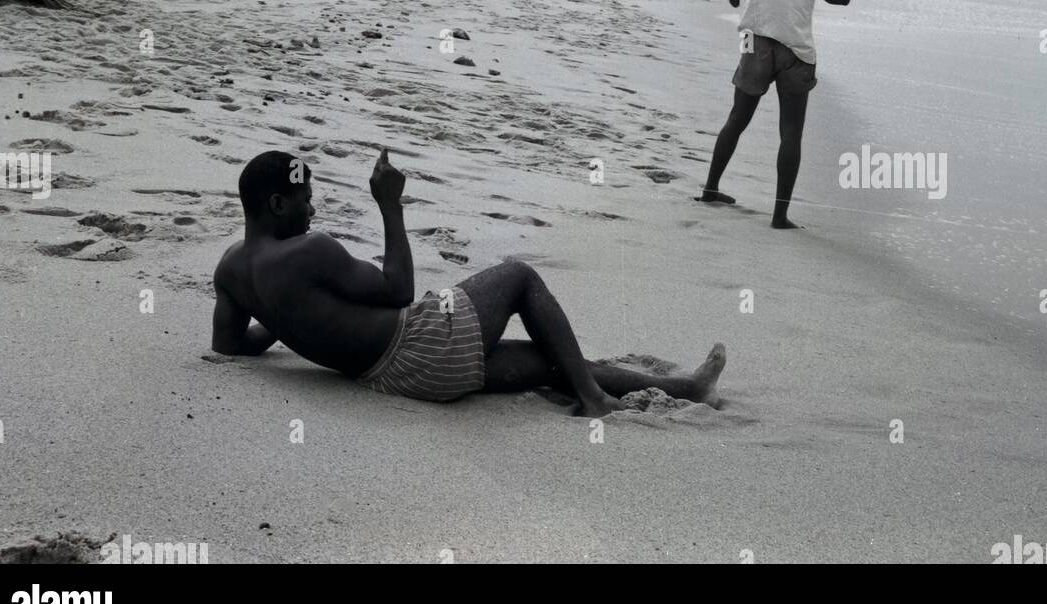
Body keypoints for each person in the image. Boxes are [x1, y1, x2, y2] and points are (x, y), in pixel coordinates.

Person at [212, 149, 727, 417]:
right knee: (519, 275)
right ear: (278, 204)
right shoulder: (310, 248)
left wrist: (285, 317)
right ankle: (593, 397)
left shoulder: (231, 271)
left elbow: (231, 345)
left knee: (553, 362)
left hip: (396, 379)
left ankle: (688, 389)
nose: (313, 208)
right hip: (421, 342)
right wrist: (390, 206)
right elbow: (398, 292)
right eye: (305, 201)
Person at [701, 0, 851, 229]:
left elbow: (734, 0)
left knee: (737, 118)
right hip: (795, 48)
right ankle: (779, 215)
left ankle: (711, 187)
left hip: (754, 42)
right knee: (791, 131)